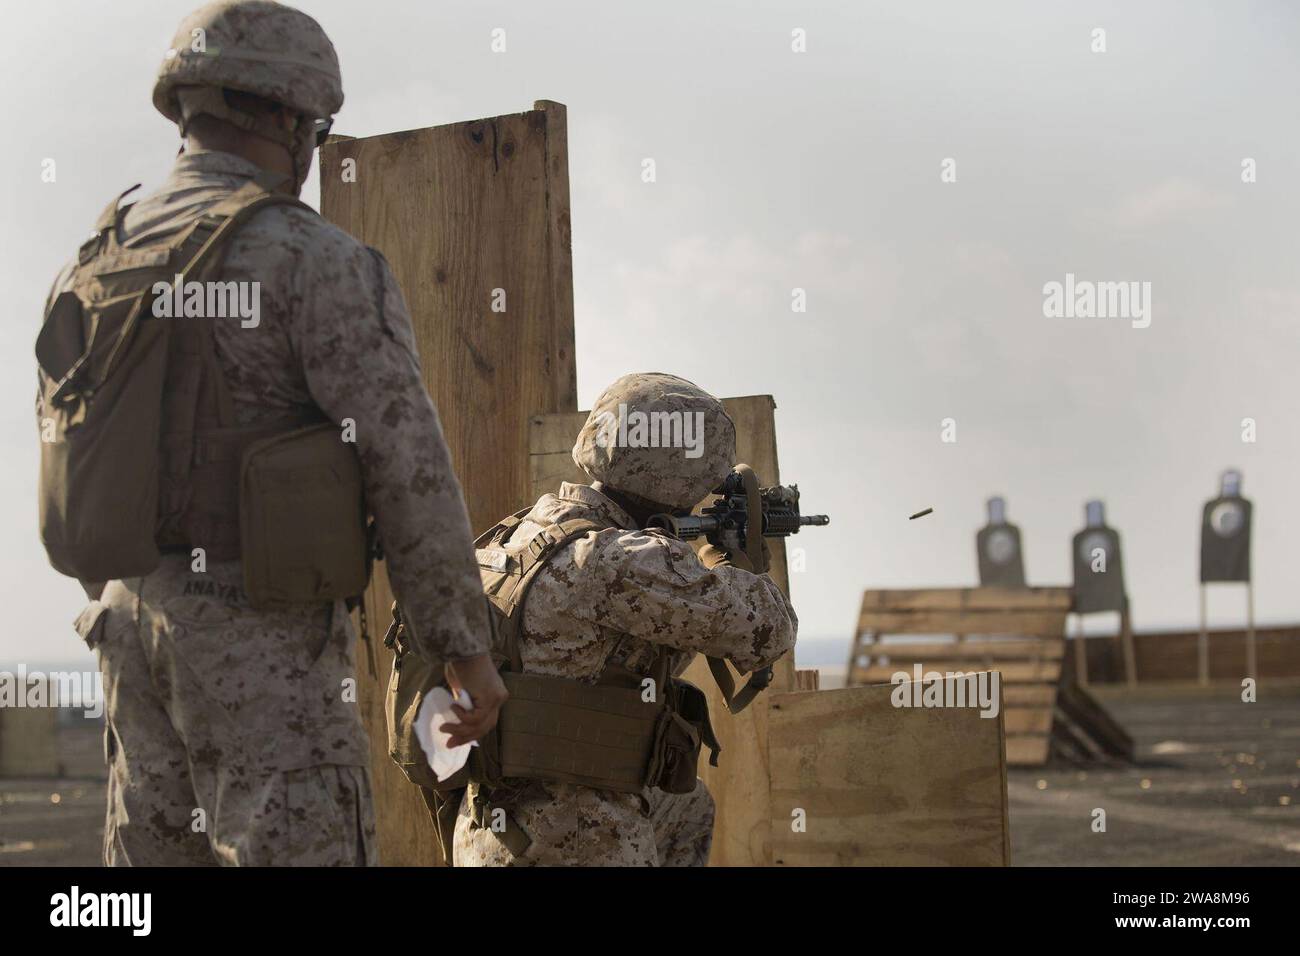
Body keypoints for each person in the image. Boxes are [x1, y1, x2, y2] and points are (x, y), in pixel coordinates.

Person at [38, 0, 503, 866]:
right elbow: (408, 466)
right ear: (289, 118)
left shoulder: (95, 260)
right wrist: (460, 647)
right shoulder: (312, 258)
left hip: (127, 624)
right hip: (259, 640)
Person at [452, 372, 798, 866]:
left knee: (687, 805)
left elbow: (614, 659)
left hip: (491, 825)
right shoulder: (624, 560)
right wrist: (732, 559)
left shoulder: (521, 533)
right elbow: (770, 631)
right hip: (574, 838)